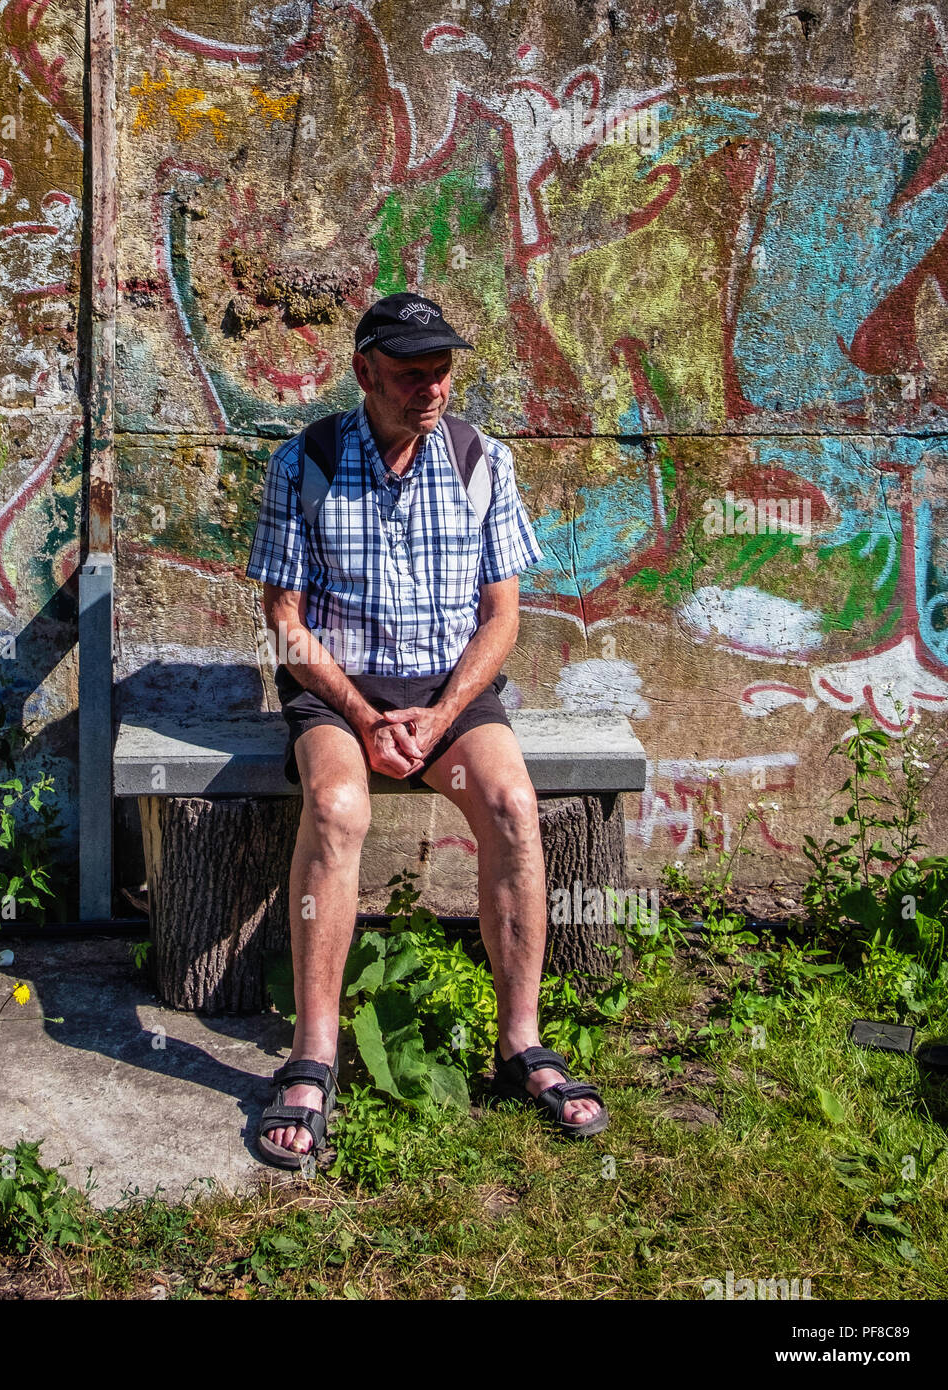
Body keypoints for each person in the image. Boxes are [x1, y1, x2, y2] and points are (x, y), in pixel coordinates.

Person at [244, 292, 609, 1167]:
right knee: (336, 809)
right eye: (411, 374)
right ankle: (313, 1053)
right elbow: (285, 622)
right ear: (364, 373)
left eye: (443, 371)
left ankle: (520, 1042)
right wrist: (365, 718)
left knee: (515, 805)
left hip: (452, 694)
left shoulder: (486, 462)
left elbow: (502, 618)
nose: (432, 389)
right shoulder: (304, 463)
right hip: (337, 693)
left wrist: (442, 715)